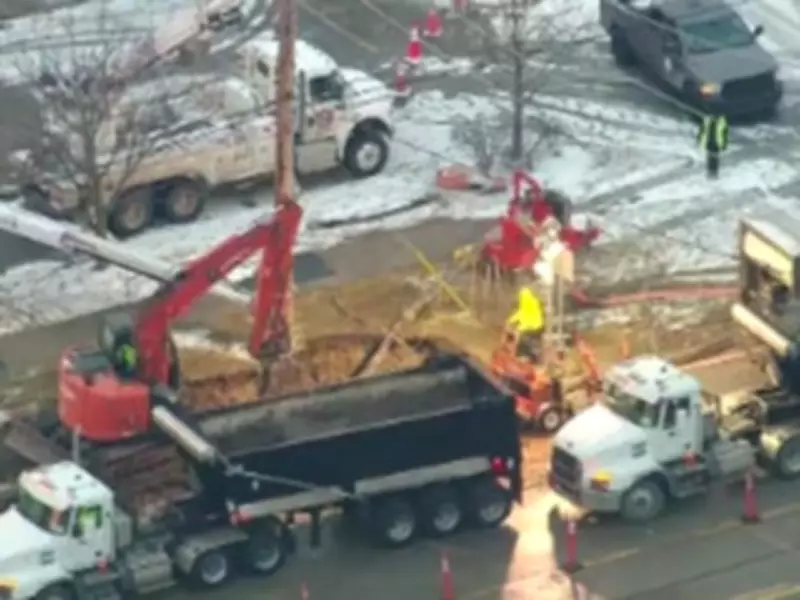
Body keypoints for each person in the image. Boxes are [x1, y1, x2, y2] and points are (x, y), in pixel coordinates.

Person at [506, 287, 544, 361]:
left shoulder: (532, 303)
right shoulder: (525, 302)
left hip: (535, 326)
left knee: (517, 334)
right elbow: (520, 313)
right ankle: (511, 350)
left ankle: (516, 353)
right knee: (513, 331)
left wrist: (519, 328)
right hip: (528, 325)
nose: (520, 298)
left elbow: (532, 319)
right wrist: (510, 321)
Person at [697, 112, 729, 179]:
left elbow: (725, 133)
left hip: (717, 142)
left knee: (715, 159)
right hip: (708, 141)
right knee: (709, 158)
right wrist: (699, 139)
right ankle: (709, 173)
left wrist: (724, 144)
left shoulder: (722, 121)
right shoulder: (707, 120)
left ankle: (715, 174)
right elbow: (702, 130)